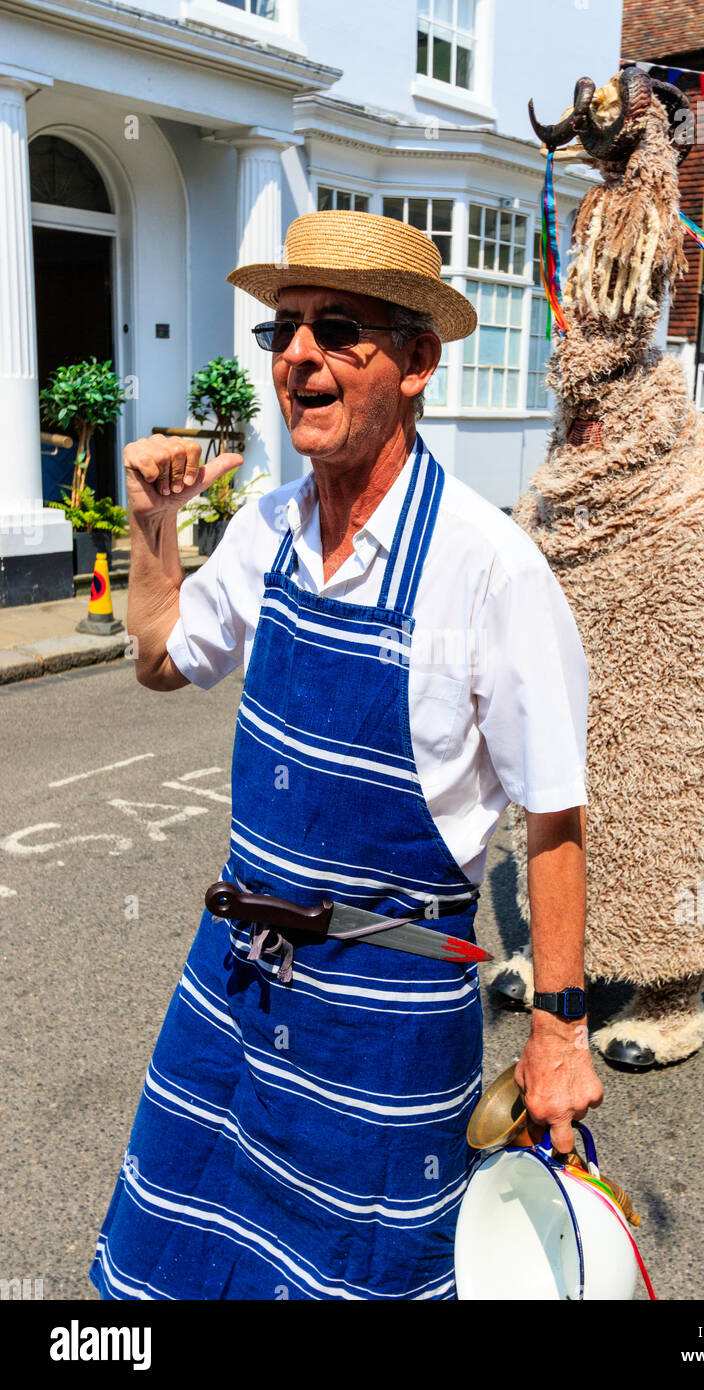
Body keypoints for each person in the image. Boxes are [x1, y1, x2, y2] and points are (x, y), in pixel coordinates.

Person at [90, 210, 602, 1302]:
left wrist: (558, 1031)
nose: (300, 358)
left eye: (339, 332)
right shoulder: (265, 529)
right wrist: (148, 524)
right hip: (231, 982)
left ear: (417, 363)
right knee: (183, 1261)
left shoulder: (491, 571)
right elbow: (160, 661)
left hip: (386, 1017)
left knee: (357, 1279)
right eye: (285, 331)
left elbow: (554, 821)